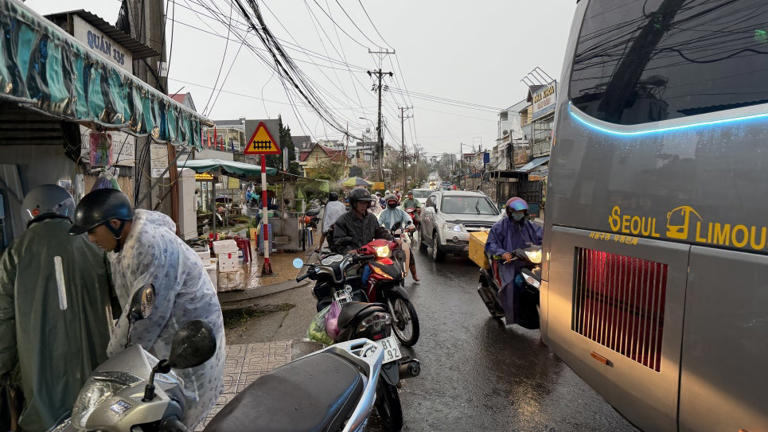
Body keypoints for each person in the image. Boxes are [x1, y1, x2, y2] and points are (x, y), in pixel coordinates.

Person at [69, 188, 225, 428]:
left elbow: (145, 317)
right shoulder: (121, 245)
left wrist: (115, 360)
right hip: (166, 343)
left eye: (92, 230)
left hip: (189, 343)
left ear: (114, 224)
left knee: (179, 416)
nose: (90, 239)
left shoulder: (150, 246)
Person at [0, 185, 113, 431]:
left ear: (28, 213)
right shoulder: (94, 245)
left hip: (39, 370)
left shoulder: (14, 254)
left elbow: (4, 320)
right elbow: (118, 302)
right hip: (95, 365)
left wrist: (4, 366)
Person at [484, 197, 542, 324]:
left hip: (528, 261)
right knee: (510, 285)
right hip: (508, 264)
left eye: (521, 212)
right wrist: (503, 253)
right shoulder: (499, 226)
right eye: (516, 212)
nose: (519, 214)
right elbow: (491, 244)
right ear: (510, 212)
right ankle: (512, 314)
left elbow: (542, 237)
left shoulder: (530, 226)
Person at [330, 188, 391, 255]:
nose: (364, 206)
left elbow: (379, 232)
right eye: (361, 203)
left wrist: (392, 239)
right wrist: (348, 251)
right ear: (354, 203)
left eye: (366, 203)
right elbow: (338, 242)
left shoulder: (371, 218)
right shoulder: (343, 220)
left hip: (369, 254)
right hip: (351, 259)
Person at [378, 194, 419, 282]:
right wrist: (382, 229)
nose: (392, 203)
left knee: (409, 253)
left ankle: (414, 275)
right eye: (390, 201)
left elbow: (408, 219)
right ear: (387, 203)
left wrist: (410, 225)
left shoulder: (401, 212)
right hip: (387, 236)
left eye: (394, 201)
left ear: (396, 202)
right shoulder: (383, 213)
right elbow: (379, 223)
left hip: (399, 234)